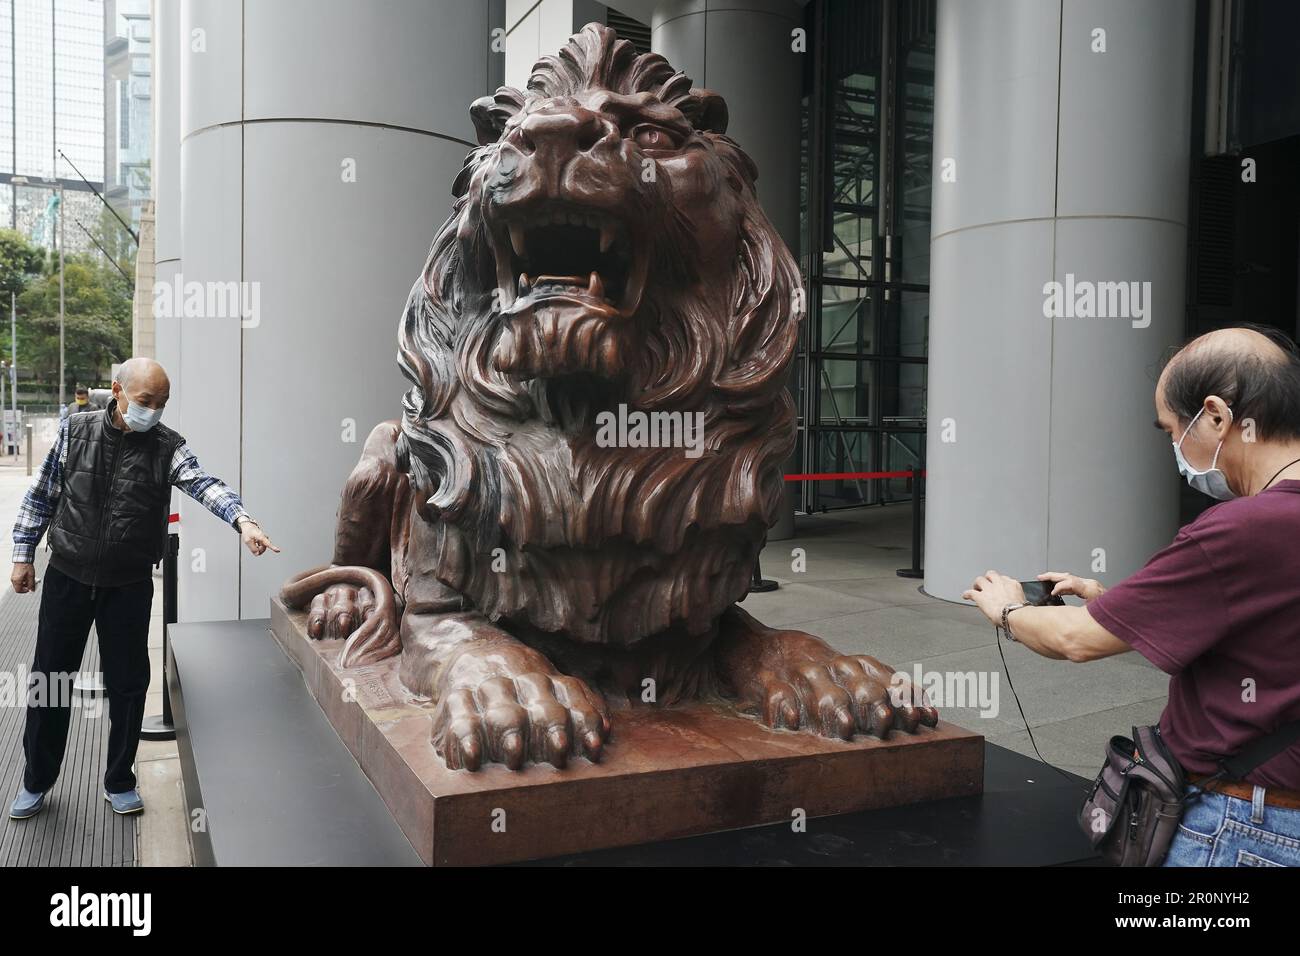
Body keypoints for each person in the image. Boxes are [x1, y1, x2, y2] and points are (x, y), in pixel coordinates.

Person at [963, 324, 1300, 867]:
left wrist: (1008, 608)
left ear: (1216, 416)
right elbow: (1263, 627)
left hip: (1247, 827)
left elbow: (1076, 639)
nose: (1174, 446)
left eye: (1172, 429)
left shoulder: (1242, 529)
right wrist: (1109, 596)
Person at [7, 357, 279, 820]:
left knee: (130, 686)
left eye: (162, 403)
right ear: (117, 391)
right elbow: (42, 493)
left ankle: (120, 781)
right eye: (145, 401)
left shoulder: (167, 447)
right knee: (50, 680)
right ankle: (36, 781)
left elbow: (204, 483)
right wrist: (22, 553)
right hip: (68, 577)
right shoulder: (75, 432)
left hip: (128, 585)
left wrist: (242, 520)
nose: (153, 411)